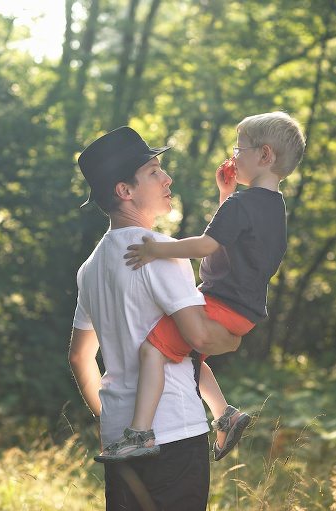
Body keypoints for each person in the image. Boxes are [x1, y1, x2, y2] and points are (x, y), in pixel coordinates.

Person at [103, 111, 306, 463]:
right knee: (189, 357)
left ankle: (139, 434)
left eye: (238, 148)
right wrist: (226, 193)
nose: (233, 156)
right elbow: (239, 238)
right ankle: (225, 413)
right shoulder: (275, 207)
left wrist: (156, 249)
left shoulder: (243, 205)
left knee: (153, 350)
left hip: (220, 302)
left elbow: (205, 245)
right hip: (245, 310)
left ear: (264, 155)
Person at [68, 126, 243, 510]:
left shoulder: (90, 268)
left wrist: (111, 413)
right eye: (153, 172)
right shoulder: (160, 251)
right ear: (124, 191)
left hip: (120, 438)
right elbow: (200, 338)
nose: (168, 178)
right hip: (175, 433)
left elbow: (80, 357)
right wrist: (234, 338)